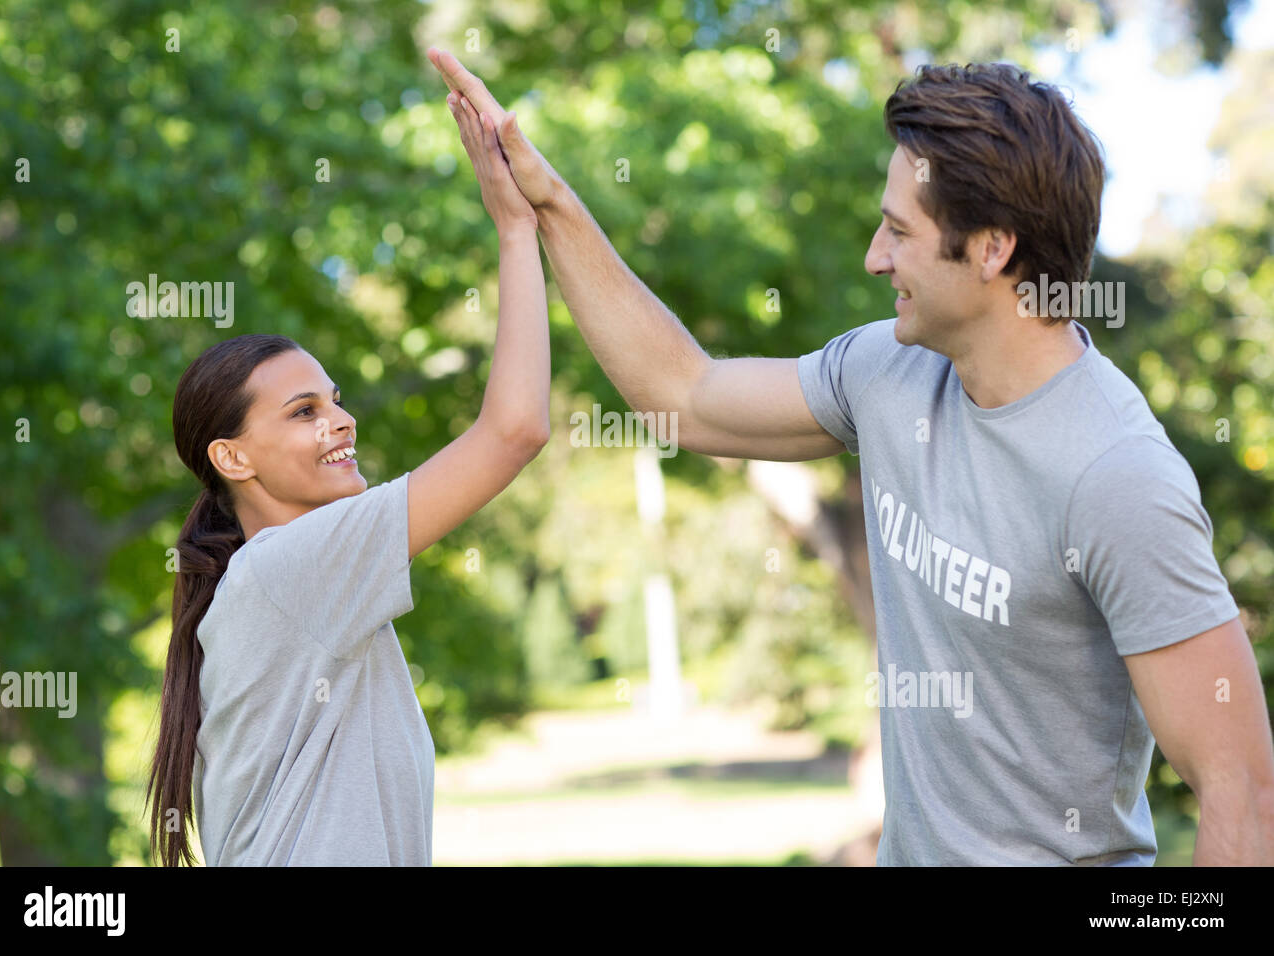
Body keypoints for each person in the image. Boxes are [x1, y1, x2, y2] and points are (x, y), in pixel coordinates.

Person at [428, 48, 1274, 865]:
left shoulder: (1117, 477)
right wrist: (547, 204)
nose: (875, 257)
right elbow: (679, 393)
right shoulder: (890, 370)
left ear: (992, 249)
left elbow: (1240, 790)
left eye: (899, 232)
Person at [145, 93, 549, 866]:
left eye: (336, 400)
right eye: (303, 411)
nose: (341, 422)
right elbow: (516, 429)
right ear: (233, 458)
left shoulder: (297, 580)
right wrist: (517, 227)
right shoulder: (293, 567)